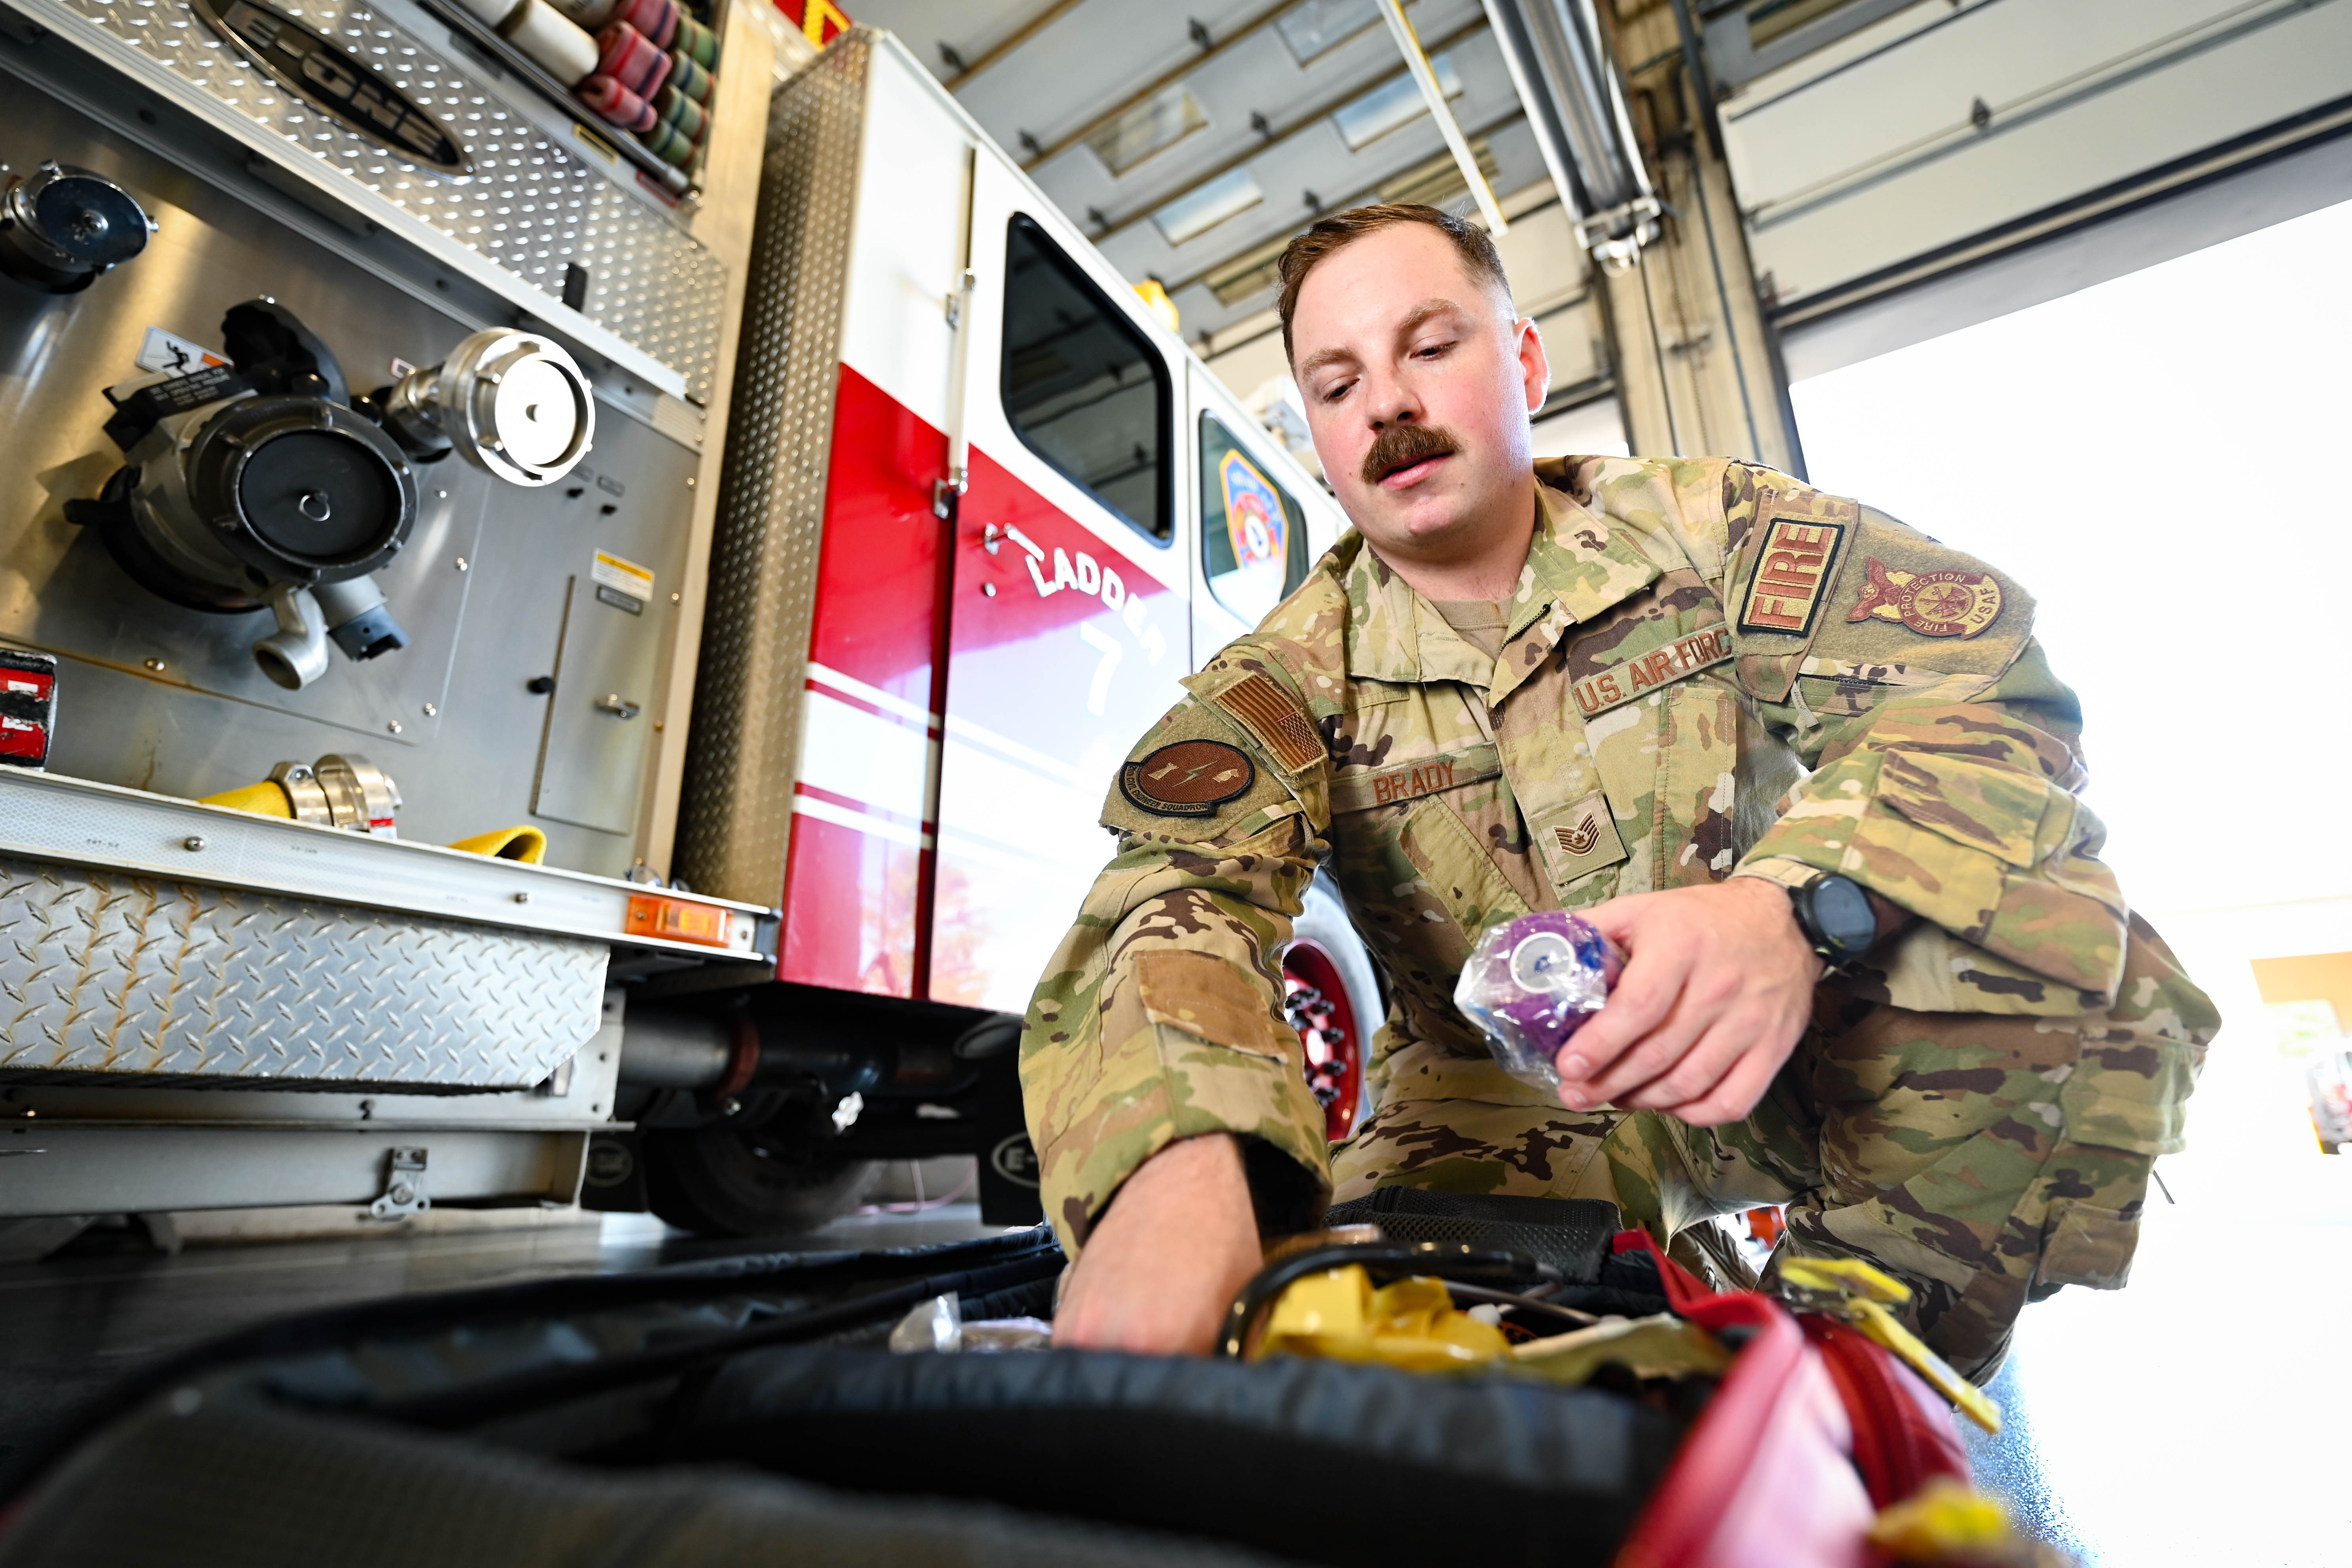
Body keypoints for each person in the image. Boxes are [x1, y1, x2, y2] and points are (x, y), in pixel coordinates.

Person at [1017, 203, 2215, 1380]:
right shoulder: (1287, 674)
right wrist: (1181, 1159)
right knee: (1390, 1363)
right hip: (1493, 1098)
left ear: (1523, 359)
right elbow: (1171, 896)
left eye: (1430, 348)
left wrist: (1789, 912)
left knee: (2067, 967)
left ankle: (1842, 1361)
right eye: (1336, 387)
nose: (1386, 402)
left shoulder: (1712, 531)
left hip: (1779, 1025)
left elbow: (1980, 694)